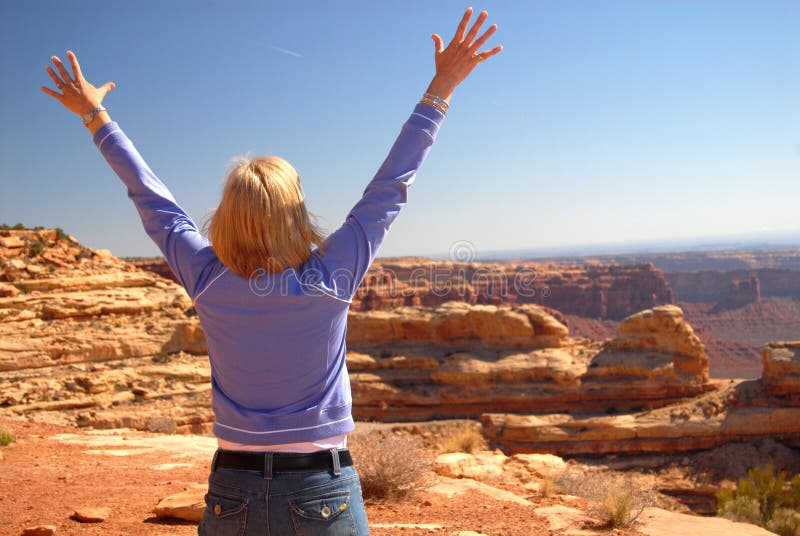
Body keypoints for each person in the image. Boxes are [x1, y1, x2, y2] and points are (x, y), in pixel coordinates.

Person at [42, 7, 501, 535]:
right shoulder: (332, 275)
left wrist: (96, 116)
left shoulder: (207, 278)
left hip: (232, 490)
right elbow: (391, 186)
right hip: (321, 489)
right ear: (297, 212)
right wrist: (442, 87)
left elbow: (152, 199)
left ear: (228, 213)